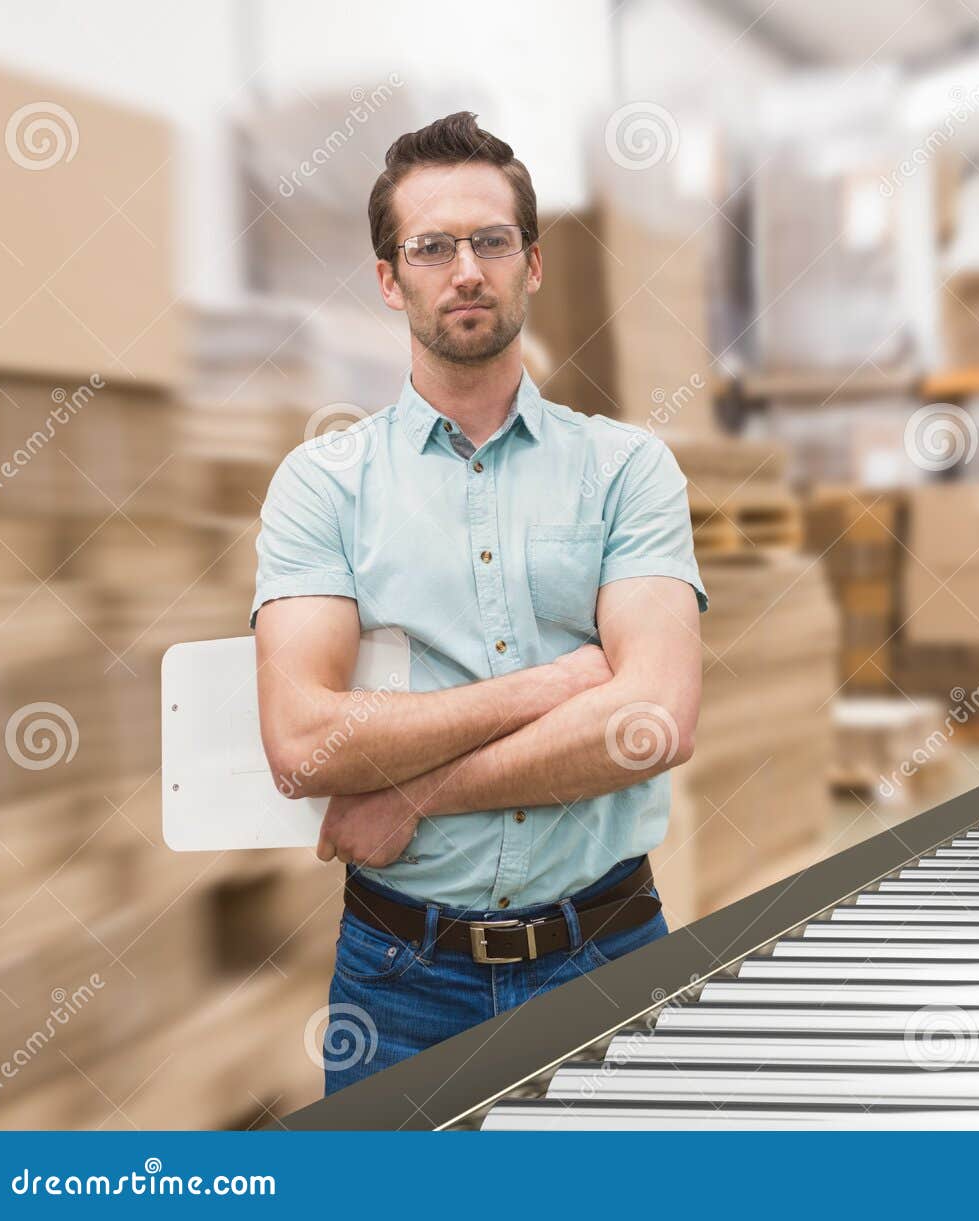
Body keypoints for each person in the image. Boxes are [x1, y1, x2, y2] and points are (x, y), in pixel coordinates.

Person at [249, 112, 706, 1095]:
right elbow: (303, 744)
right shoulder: (322, 486)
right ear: (389, 278)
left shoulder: (627, 469)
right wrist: (551, 686)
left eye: (491, 241)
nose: (466, 270)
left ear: (531, 264)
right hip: (402, 981)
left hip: (610, 952)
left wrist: (413, 792)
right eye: (432, 248)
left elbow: (653, 720)